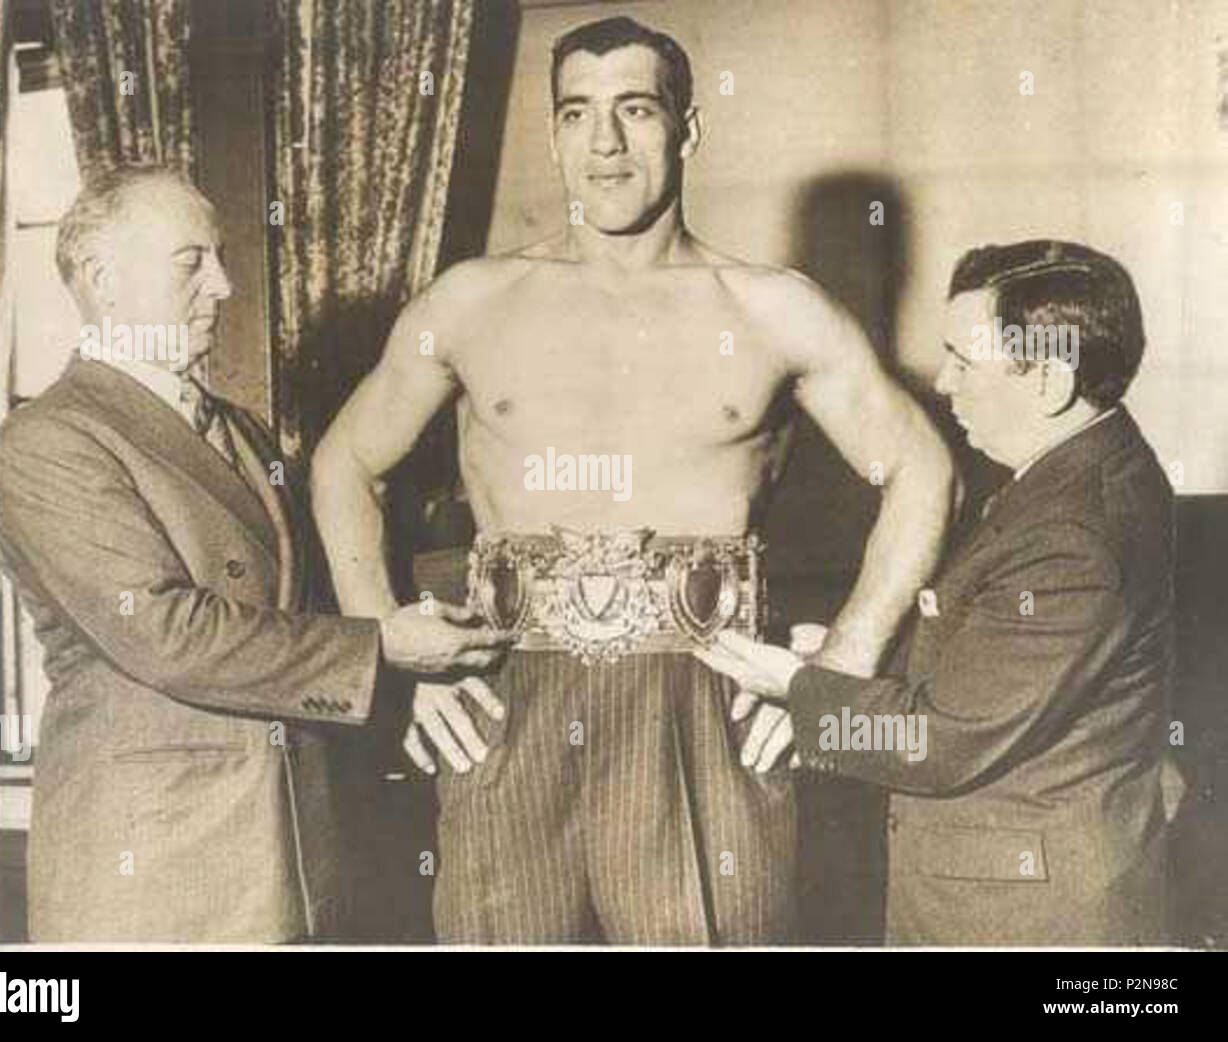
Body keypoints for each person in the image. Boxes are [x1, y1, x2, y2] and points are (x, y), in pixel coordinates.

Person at [312, 16, 954, 944]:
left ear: (685, 130)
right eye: (577, 114)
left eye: (635, 110)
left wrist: (844, 667)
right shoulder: (469, 302)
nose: (604, 143)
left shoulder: (773, 308)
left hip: (703, 707)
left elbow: (922, 466)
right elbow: (344, 463)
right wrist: (397, 661)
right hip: (506, 698)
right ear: (556, 132)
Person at [0, 164, 509, 942]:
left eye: (219, 257)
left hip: (287, 864)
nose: (224, 285)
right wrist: (382, 651)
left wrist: (405, 676)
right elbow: (168, 634)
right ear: (103, 280)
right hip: (156, 877)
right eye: (191, 261)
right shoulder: (49, 442)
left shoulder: (243, 433)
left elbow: (304, 611)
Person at [697, 240, 1174, 944]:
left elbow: (940, 740)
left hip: (1024, 923)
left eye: (963, 360)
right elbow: (1003, 661)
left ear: (1047, 381)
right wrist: (871, 661)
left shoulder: (1075, 535)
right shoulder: (1084, 472)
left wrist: (801, 689)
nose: (944, 383)